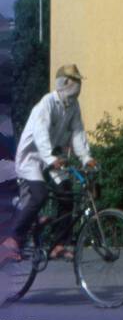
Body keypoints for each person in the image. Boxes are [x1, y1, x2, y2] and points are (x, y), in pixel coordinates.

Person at [0, 64, 96, 263]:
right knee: (40, 194)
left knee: (67, 192)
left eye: (78, 81)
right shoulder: (47, 104)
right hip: (32, 158)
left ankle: (59, 244)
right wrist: (51, 159)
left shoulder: (73, 106)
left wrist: (86, 158)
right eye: (74, 81)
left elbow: (78, 133)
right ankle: (13, 239)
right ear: (64, 83)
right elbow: (40, 134)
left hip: (53, 159)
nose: (77, 85)